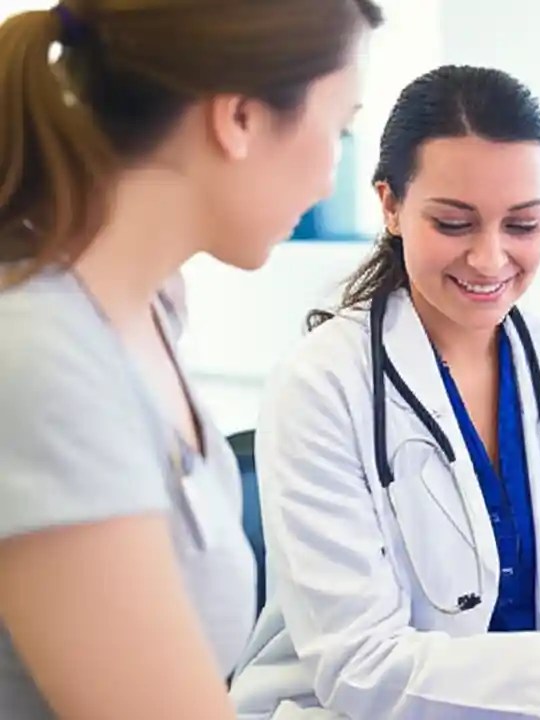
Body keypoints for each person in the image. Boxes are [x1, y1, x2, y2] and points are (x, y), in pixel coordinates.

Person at [229, 65, 540, 720]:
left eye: (522, 225)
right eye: (454, 224)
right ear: (390, 205)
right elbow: (360, 669)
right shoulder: (321, 386)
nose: (489, 259)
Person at [0, 2, 382, 719]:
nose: (334, 177)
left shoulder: (151, 310)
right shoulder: (42, 359)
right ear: (237, 119)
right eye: (341, 127)